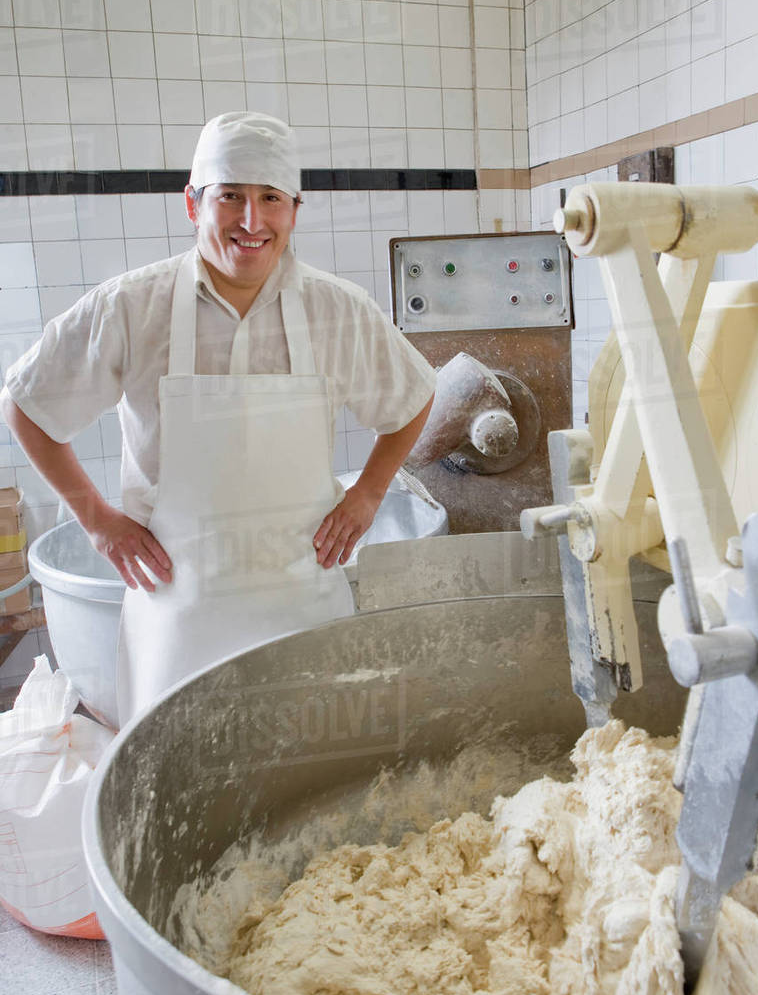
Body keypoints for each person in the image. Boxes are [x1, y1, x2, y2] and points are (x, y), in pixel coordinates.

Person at [1, 112, 435, 725]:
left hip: (302, 613)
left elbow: (414, 399)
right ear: (192, 205)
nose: (252, 222)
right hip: (177, 620)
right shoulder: (131, 306)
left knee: (308, 784)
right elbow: (25, 404)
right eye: (230, 196)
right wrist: (97, 520)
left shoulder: (337, 310)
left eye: (271, 199)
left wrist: (367, 494)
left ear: (294, 210)